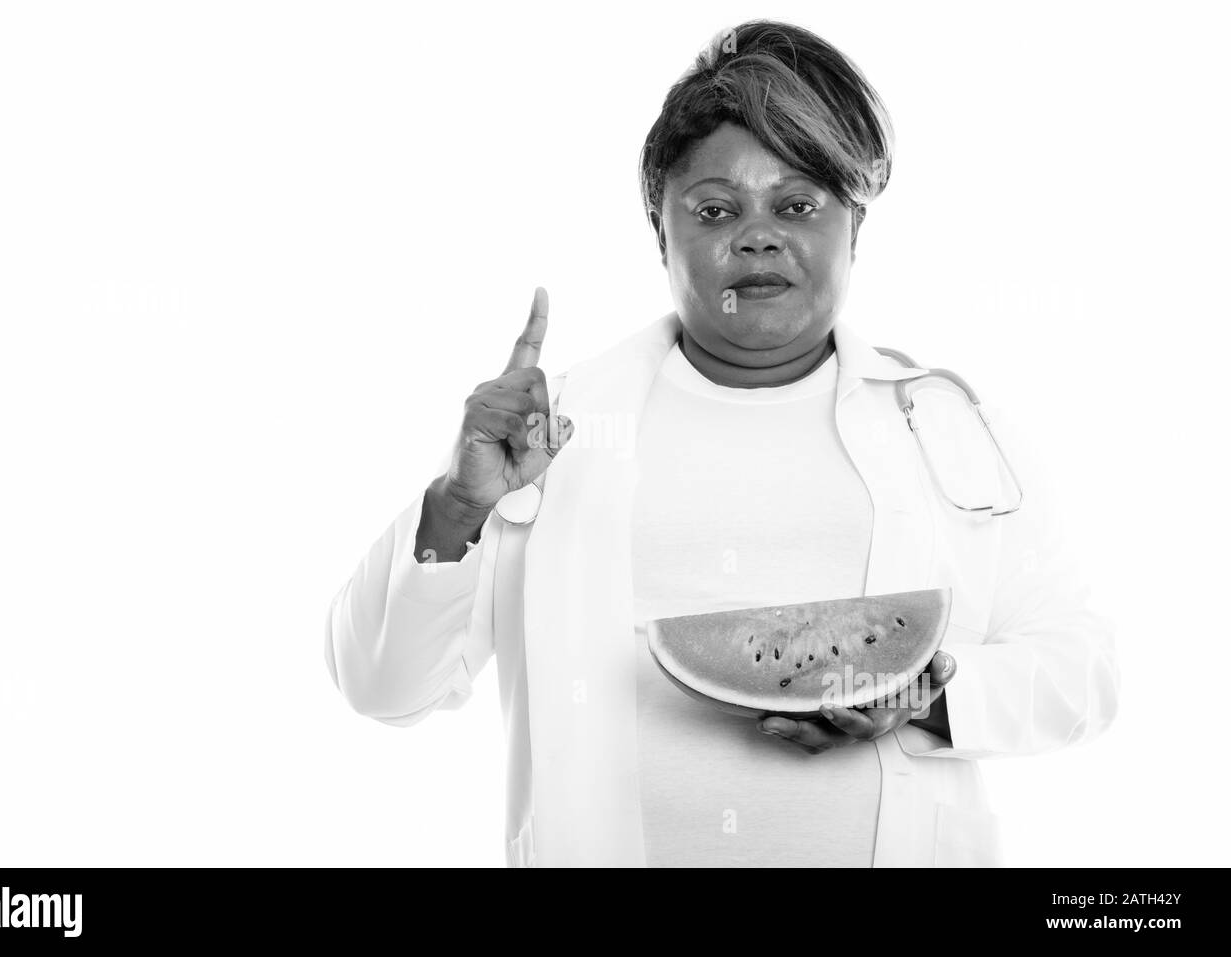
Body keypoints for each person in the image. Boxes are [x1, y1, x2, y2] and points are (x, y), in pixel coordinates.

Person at [323, 20, 1120, 867]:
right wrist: (459, 503)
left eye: (798, 204)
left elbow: (1085, 671)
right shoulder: (554, 434)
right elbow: (383, 689)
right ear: (662, 236)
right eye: (714, 209)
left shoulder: (953, 428)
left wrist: (922, 695)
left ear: (855, 229)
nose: (757, 235)